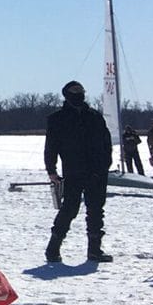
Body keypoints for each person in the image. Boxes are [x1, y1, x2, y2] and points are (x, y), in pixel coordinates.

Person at [45, 81, 112, 263]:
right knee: (69, 209)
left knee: (96, 210)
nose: (79, 94)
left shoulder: (95, 117)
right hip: (73, 171)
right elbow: (51, 147)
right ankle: (53, 249)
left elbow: (106, 143)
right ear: (66, 95)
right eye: (75, 92)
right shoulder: (57, 119)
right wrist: (51, 170)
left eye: (81, 91)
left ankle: (94, 250)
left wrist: (105, 164)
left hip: (97, 172)